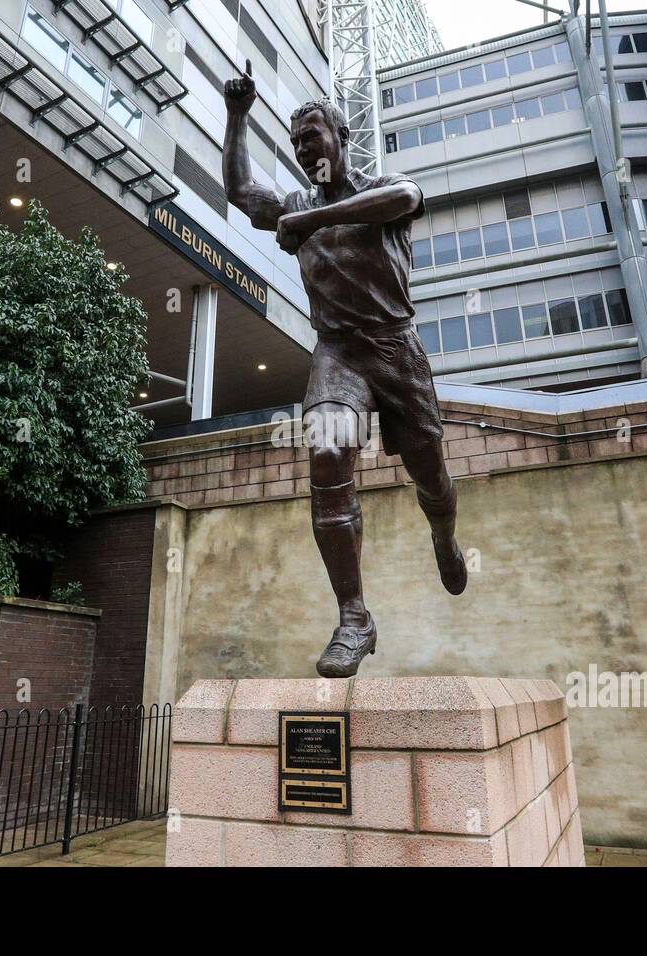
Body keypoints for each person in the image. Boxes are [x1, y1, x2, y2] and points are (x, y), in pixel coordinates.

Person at [222, 61, 467, 678]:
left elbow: (406, 198)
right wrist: (236, 116)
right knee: (327, 460)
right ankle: (355, 618)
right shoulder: (294, 200)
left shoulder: (380, 189)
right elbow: (241, 191)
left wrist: (311, 221)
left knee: (431, 474)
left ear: (340, 138)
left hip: (397, 350)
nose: (305, 148)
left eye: (314, 136)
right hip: (338, 355)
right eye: (297, 141)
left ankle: (442, 532)